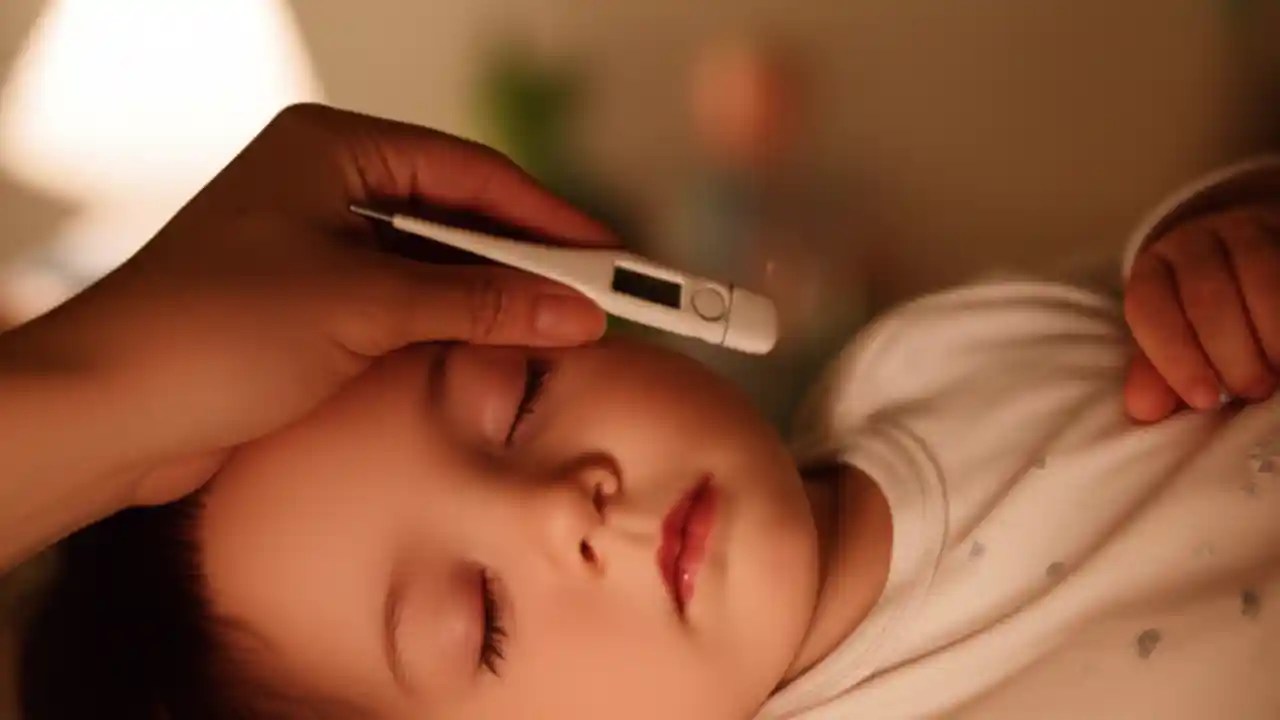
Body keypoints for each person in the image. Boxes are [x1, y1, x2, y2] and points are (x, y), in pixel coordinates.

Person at [4, 102, 1279, 719]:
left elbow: (1172, 280)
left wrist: (1216, 246)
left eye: (520, 400)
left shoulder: (927, 352)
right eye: (478, 622)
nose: (569, 510)